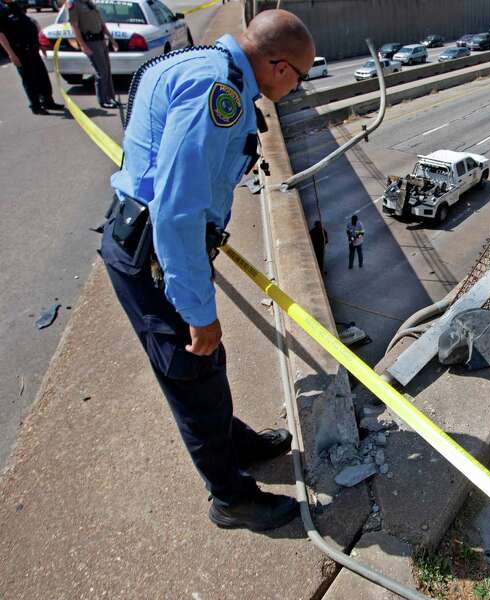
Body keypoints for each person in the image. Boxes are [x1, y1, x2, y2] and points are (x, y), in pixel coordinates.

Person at [100, 10, 315, 532]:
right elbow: (177, 212)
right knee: (193, 375)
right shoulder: (218, 94)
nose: (296, 88)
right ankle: (231, 498)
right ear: (279, 67)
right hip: (157, 254)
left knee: (208, 367)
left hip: (150, 243)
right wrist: (198, 312)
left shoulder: (201, 62)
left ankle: (234, 441)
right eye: (300, 77)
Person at [0, 0, 64, 114]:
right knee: (29, 81)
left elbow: (28, 23)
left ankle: (48, 101)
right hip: (20, 52)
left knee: (42, 77)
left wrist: (40, 44)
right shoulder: (1, 9)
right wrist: (11, 54)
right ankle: (35, 106)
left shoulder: (15, 5)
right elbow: (1, 35)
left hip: (33, 48)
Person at [66, 0, 118, 108]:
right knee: (101, 72)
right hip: (91, 42)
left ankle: (110, 97)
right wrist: (83, 45)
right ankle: (103, 100)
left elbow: (101, 24)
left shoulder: (90, 3)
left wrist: (111, 39)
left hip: (101, 40)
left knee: (107, 70)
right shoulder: (73, 4)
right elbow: (74, 26)